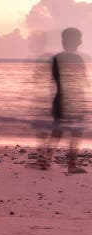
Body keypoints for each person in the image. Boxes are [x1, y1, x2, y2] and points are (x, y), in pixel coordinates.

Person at [39, 27, 88, 173]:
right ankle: (71, 165)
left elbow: (54, 80)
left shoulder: (56, 58)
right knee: (76, 133)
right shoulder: (78, 59)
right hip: (74, 99)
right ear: (77, 42)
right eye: (79, 39)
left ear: (63, 41)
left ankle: (46, 161)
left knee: (57, 132)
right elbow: (81, 80)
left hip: (59, 99)